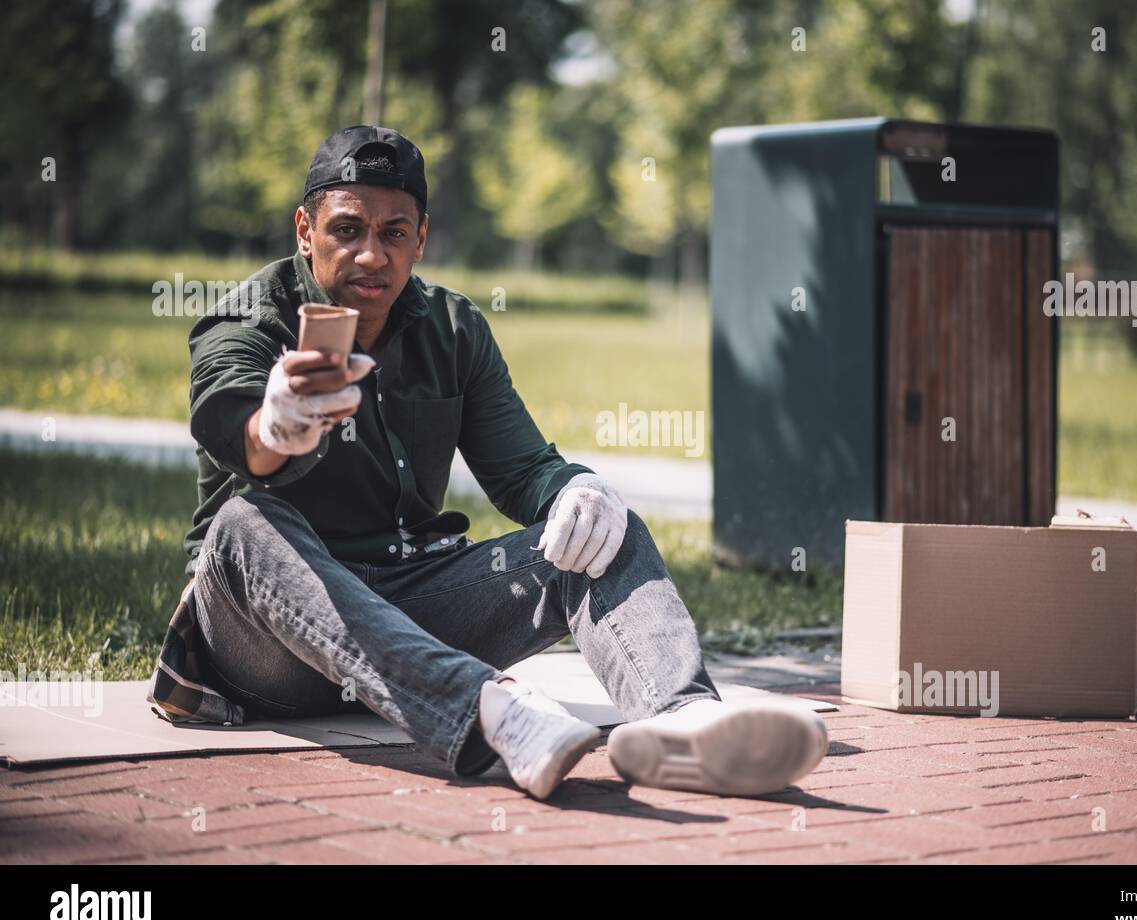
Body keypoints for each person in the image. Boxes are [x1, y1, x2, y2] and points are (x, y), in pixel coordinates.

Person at [148, 125, 827, 801]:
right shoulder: (249, 316)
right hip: (268, 645)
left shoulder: (453, 328)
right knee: (242, 521)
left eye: (393, 233)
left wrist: (575, 488)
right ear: (305, 229)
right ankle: (493, 713)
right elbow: (224, 411)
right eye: (347, 229)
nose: (370, 256)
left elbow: (523, 470)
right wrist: (276, 426)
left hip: (412, 611)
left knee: (602, 523)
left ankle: (685, 723)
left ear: (421, 238)